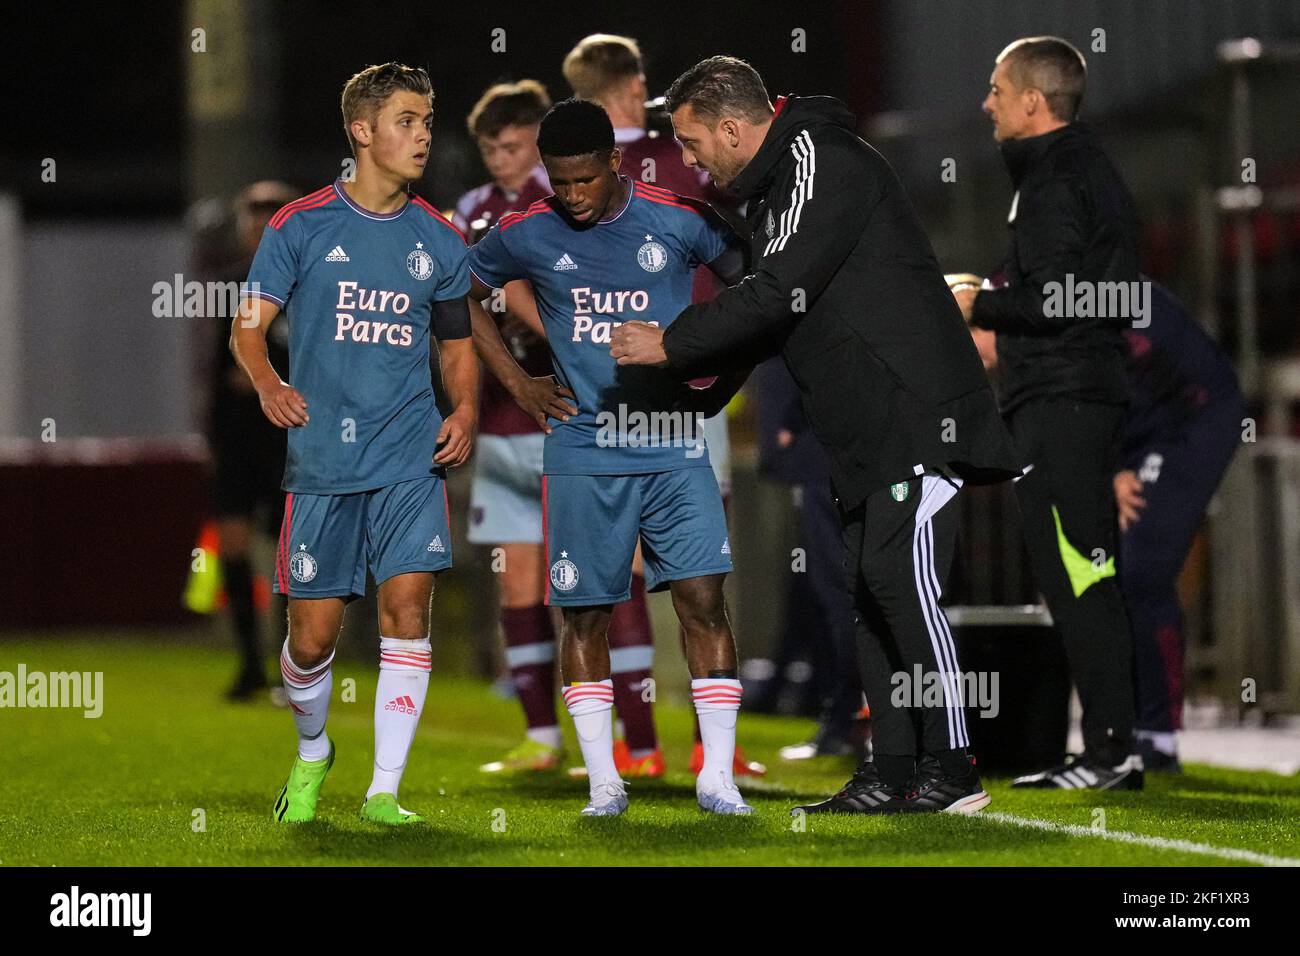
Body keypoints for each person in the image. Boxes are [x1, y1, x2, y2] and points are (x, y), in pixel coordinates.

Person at [612, 56, 1021, 815]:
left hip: (915, 418)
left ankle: (954, 765)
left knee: (904, 588)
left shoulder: (818, 159)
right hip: (866, 429)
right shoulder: (777, 190)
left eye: (696, 144)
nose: (694, 164)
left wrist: (670, 343)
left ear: (733, 128)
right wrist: (688, 397)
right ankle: (894, 768)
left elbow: (773, 291)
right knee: (869, 593)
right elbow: (775, 316)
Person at [466, 98, 754, 817]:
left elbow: (757, 286)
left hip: (670, 444)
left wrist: (714, 375)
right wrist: (520, 383)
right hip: (582, 450)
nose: (572, 197)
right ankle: (605, 782)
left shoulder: (678, 218)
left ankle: (716, 777)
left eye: (585, 181)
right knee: (586, 615)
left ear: (613, 164)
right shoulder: (528, 232)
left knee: (703, 601)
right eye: (560, 183)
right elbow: (459, 295)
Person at [230, 62, 480, 825]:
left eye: (428, 123)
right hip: (322, 464)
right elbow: (245, 325)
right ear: (362, 132)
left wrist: (464, 408)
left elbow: (457, 345)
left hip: (408, 459)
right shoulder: (299, 225)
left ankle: (384, 792)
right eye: (407, 121)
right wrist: (270, 382)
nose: (423, 137)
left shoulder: (439, 239)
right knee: (311, 640)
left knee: (408, 609)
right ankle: (313, 753)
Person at [563, 31, 764, 779]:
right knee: (702, 582)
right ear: (636, 81)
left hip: (599, 404)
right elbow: (751, 260)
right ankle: (720, 750)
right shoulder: (689, 159)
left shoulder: (570, 178)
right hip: (694, 390)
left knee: (610, 582)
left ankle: (635, 743)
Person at [953, 37, 1145, 790]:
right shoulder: (1072, 169)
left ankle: (1110, 751)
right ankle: (1108, 747)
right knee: (1078, 577)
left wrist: (979, 303)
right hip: (1070, 397)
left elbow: (1065, 301)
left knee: (1082, 576)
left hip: (1062, 401)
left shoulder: (1057, 178)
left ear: (1033, 102)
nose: (988, 102)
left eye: (998, 89)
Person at [203, 180, 296, 701]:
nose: (261, 223)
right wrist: (213, 440)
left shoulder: (309, 285)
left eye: (271, 213)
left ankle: (291, 665)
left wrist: (266, 376)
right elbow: (219, 374)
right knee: (234, 544)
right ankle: (248, 664)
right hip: (238, 436)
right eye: (253, 214)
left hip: (287, 436)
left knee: (289, 551)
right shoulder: (230, 285)